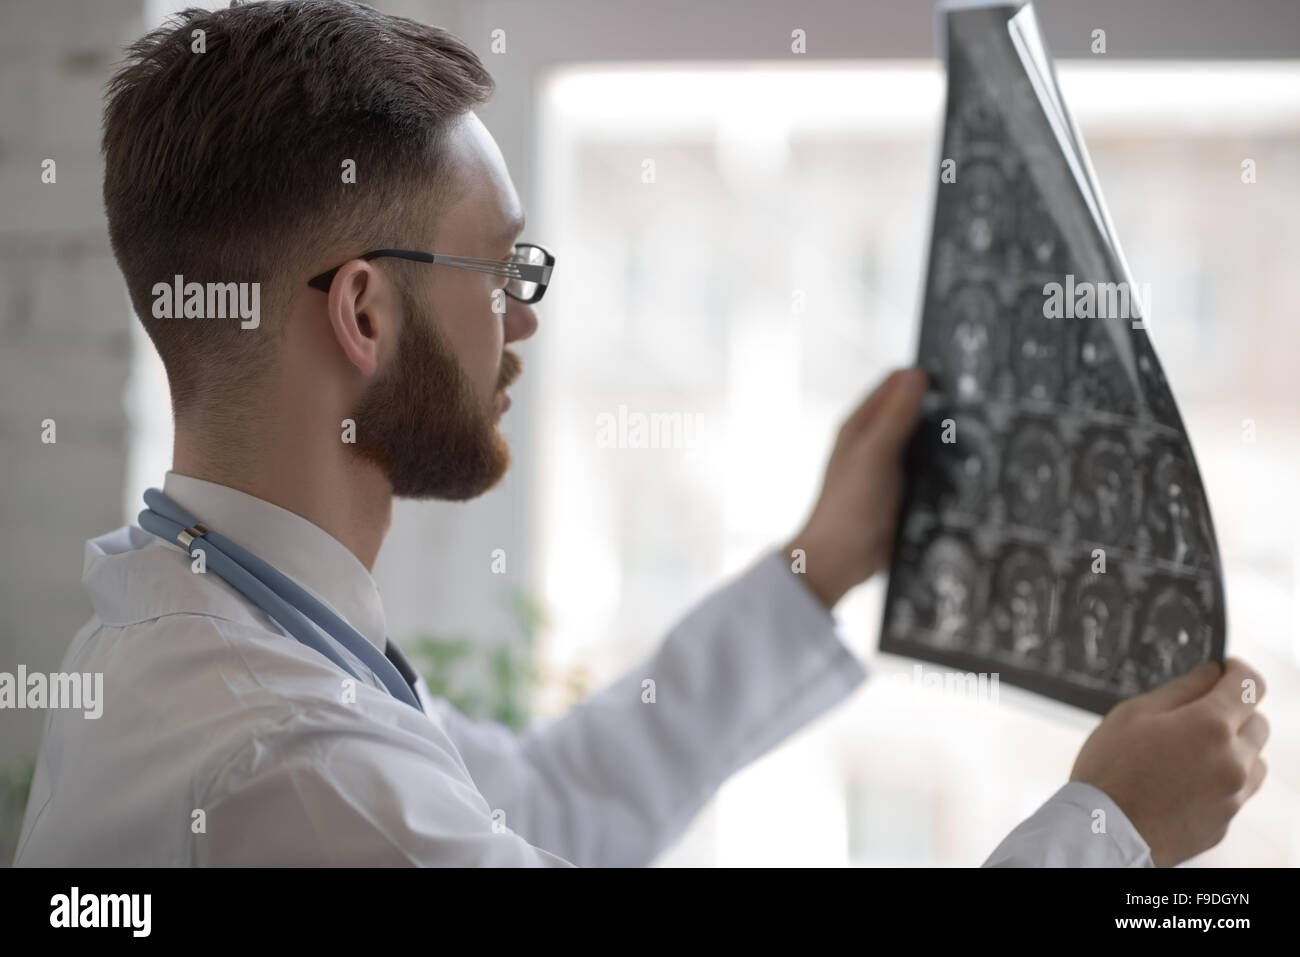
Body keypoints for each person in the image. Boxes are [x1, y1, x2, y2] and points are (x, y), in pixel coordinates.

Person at [13, 0, 1267, 867]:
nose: (524, 323)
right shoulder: (289, 768)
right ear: (363, 311)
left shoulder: (216, 631)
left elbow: (560, 803)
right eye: (503, 272)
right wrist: (1109, 827)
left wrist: (817, 563)